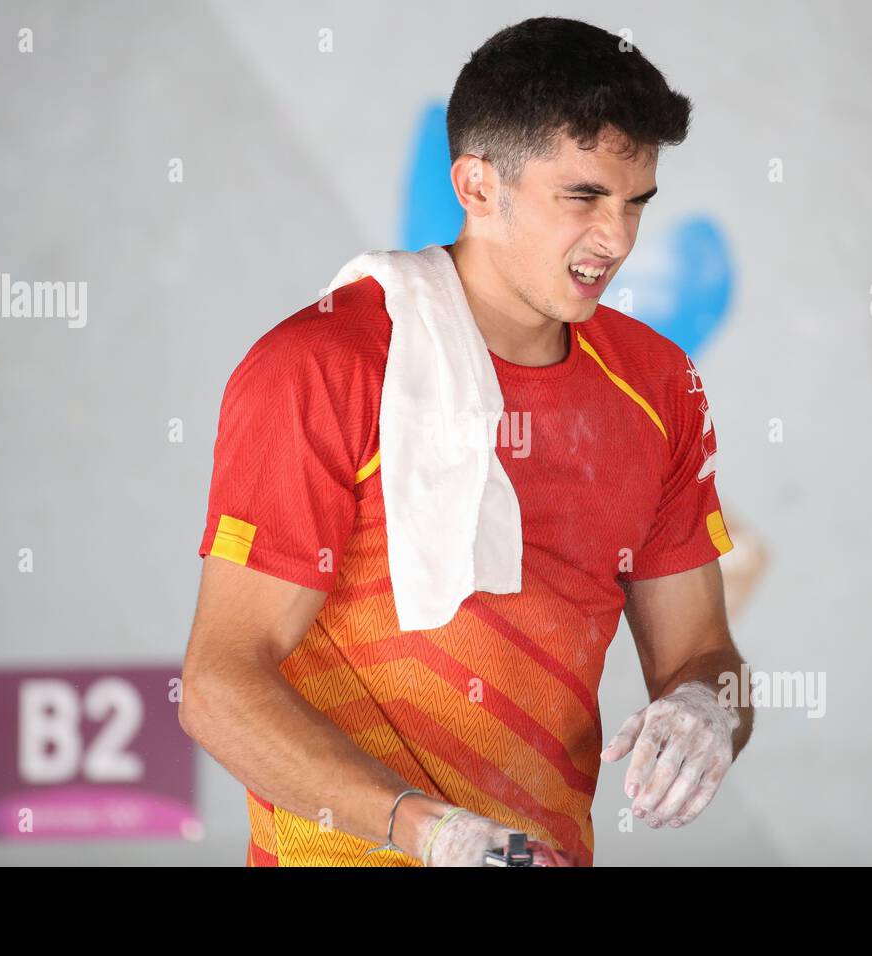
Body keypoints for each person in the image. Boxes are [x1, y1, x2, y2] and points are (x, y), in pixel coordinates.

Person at [178, 15, 753, 867]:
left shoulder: (659, 384)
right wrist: (432, 833)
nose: (618, 240)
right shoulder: (320, 367)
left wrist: (708, 708)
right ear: (478, 187)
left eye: (636, 203)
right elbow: (219, 688)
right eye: (584, 197)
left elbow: (702, 652)